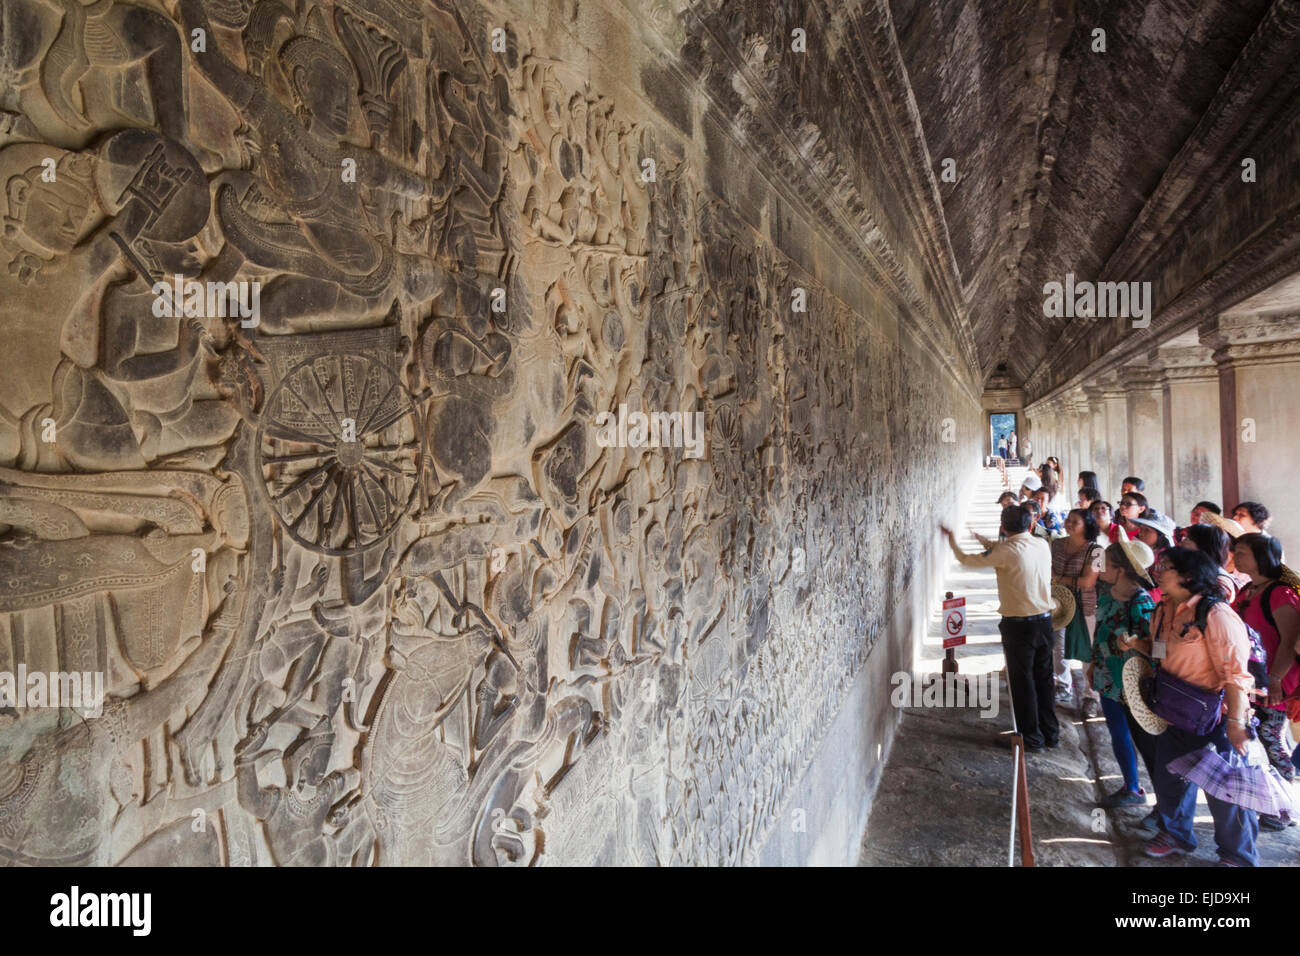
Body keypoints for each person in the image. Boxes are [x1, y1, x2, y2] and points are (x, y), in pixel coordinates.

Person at [1134, 549, 1257, 865]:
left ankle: (1237, 856)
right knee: (1169, 779)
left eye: (1167, 567)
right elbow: (1160, 652)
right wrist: (1139, 646)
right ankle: (1176, 834)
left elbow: (1235, 675)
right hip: (1175, 712)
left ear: (1188, 575)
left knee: (1225, 793)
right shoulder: (1163, 609)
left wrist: (1235, 723)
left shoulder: (1216, 615)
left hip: (1214, 717)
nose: (1158, 570)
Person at [941, 506, 1057, 750]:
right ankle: (1050, 733)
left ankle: (1030, 737)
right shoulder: (1041, 545)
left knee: (1022, 681)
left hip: (1019, 627)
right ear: (1030, 525)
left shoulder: (1005, 552)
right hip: (1045, 623)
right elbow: (1003, 549)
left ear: (1003, 526)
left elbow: (966, 560)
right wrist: (982, 539)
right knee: (1044, 679)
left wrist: (951, 540)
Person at [1231, 533, 1300, 830]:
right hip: (1254, 680)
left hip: (1277, 682)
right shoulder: (1249, 589)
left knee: (1272, 740)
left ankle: (1283, 808)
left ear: (1262, 557)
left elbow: (1288, 641)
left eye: (1242, 552)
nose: (1236, 556)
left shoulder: (1281, 593)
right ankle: (1268, 801)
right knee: (1261, 741)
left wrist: (1275, 680)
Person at [1091, 538, 1157, 808]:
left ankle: (1162, 805)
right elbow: (1100, 631)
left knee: (1145, 742)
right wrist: (1093, 665)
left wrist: (1135, 644)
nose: (1099, 566)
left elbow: (1159, 649)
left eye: (1105, 562)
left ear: (1121, 570)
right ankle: (1131, 786)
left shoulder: (1141, 602)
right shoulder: (1106, 593)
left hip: (1133, 682)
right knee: (1118, 734)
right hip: (1108, 678)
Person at [1052, 508, 1105, 717]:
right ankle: (1063, 685)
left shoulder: (1099, 551)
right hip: (1058, 603)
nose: (1069, 524)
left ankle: (1091, 697)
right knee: (1058, 647)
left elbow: (1088, 582)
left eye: (1076, 521)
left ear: (1087, 525)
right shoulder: (1056, 544)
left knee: (1089, 653)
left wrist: (1057, 578)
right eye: (1068, 520)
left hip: (1087, 606)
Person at [1180, 523, 1240, 601]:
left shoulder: (1220, 581)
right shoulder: (1194, 572)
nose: (1182, 543)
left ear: (1204, 546)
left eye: (1187, 539)